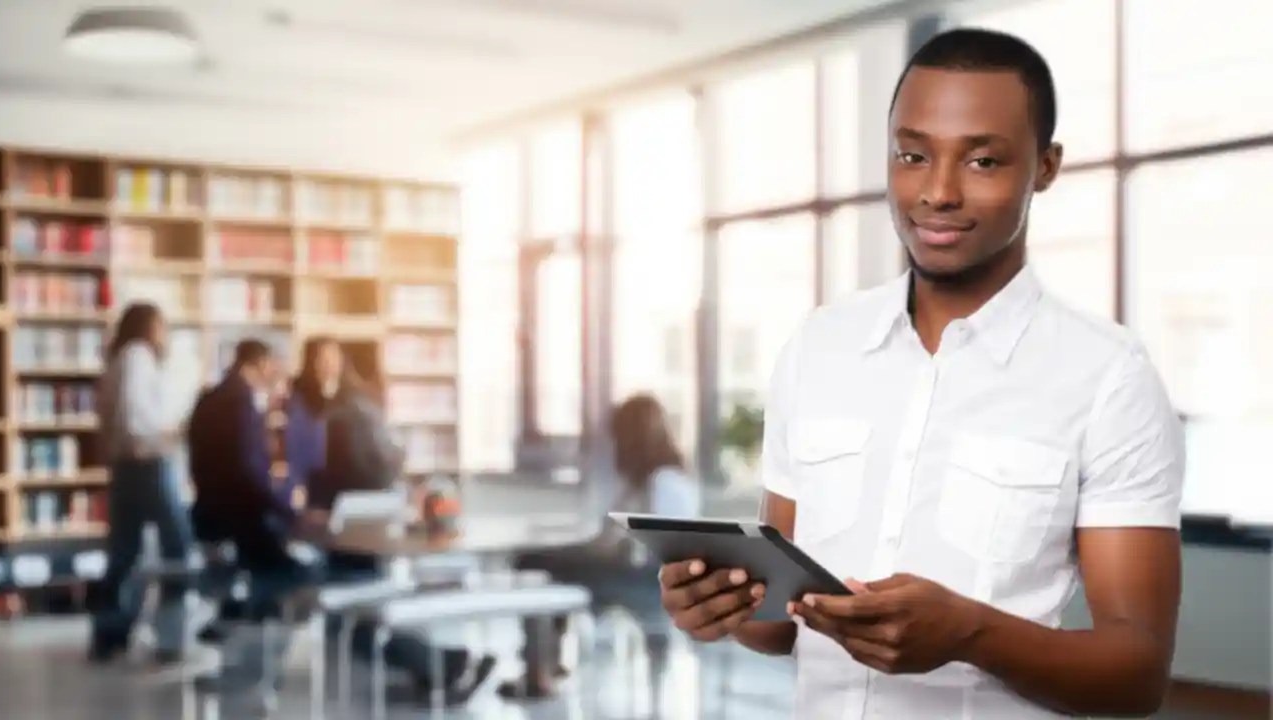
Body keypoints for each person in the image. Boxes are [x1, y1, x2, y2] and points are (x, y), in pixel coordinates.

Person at [657, 29, 1184, 719]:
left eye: (984, 160)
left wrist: (972, 632)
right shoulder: (818, 347)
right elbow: (782, 623)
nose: (937, 192)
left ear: (1046, 167)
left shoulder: (1109, 377)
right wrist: (722, 605)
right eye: (912, 155)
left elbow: (1137, 674)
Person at [308, 364, 496, 707]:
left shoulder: (331, 418)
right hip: (365, 528)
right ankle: (440, 666)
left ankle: (439, 666)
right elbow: (387, 463)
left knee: (357, 615)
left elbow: (318, 473)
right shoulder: (366, 419)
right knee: (361, 615)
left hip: (337, 534)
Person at [499, 394, 701, 700]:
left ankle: (539, 669)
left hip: (646, 582)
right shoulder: (658, 480)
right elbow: (613, 538)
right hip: (638, 573)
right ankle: (543, 666)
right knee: (547, 564)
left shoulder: (662, 483)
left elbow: (639, 550)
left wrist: (584, 551)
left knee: (534, 563)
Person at [90, 302, 194, 663]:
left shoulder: (116, 361)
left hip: (124, 466)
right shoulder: (138, 357)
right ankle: (170, 637)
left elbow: (109, 419)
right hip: (149, 462)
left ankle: (110, 635)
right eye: (162, 327)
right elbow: (137, 418)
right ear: (148, 328)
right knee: (178, 549)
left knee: (123, 553)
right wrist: (168, 435)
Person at [189, 339, 309, 618]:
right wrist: (287, 508)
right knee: (302, 571)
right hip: (243, 520)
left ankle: (234, 620)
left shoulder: (206, 400)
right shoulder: (242, 404)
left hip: (208, 514)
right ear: (260, 364)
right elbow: (250, 473)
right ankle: (253, 626)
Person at [283, 337, 342, 510]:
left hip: (332, 482)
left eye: (335, 358)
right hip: (308, 484)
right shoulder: (299, 399)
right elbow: (296, 446)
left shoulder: (339, 397)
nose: (331, 364)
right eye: (325, 359)